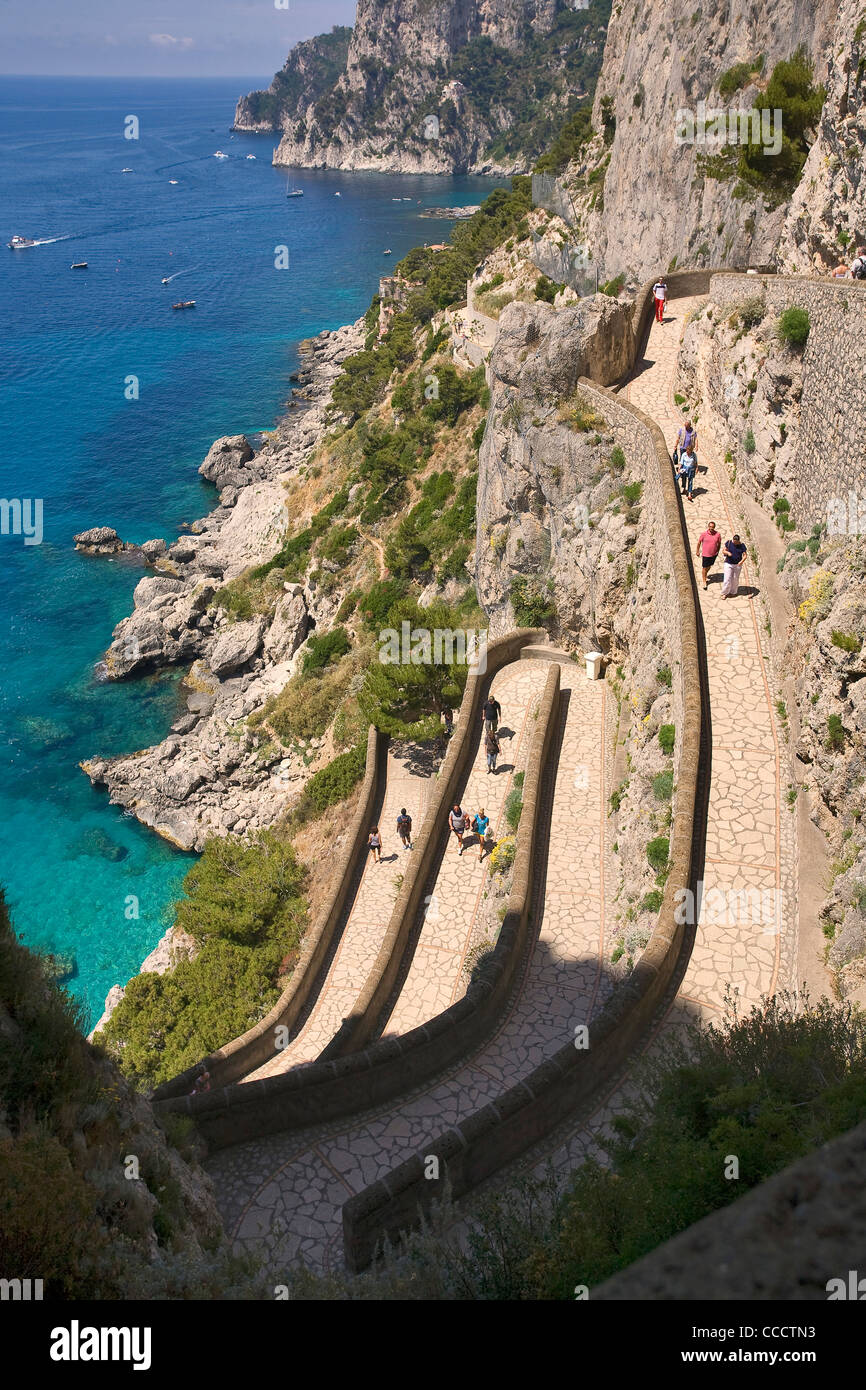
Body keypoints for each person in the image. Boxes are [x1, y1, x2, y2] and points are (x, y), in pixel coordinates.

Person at [696, 520, 722, 588]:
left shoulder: (718, 535)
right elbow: (699, 542)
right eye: (710, 526)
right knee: (704, 568)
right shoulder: (704, 534)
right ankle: (704, 581)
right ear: (708, 526)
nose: (711, 528)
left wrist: (717, 551)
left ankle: (704, 575)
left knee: (709, 566)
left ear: (714, 527)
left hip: (713, 554)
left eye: (712, 527)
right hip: (705, 554)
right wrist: (697, 551)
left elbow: (719, 543)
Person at [720, 534, 747, 598]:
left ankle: (733, 592)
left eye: (735, 542)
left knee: (735, 579)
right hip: (728, 563)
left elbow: (745, 555)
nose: (734, 543)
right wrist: (727, 553)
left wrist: (741, 562)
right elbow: (723, 551)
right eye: (733, 542)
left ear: (738, 541)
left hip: (737, 565)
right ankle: (724, 593)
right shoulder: (729, 543)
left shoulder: (742, 546)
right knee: (727, 579)